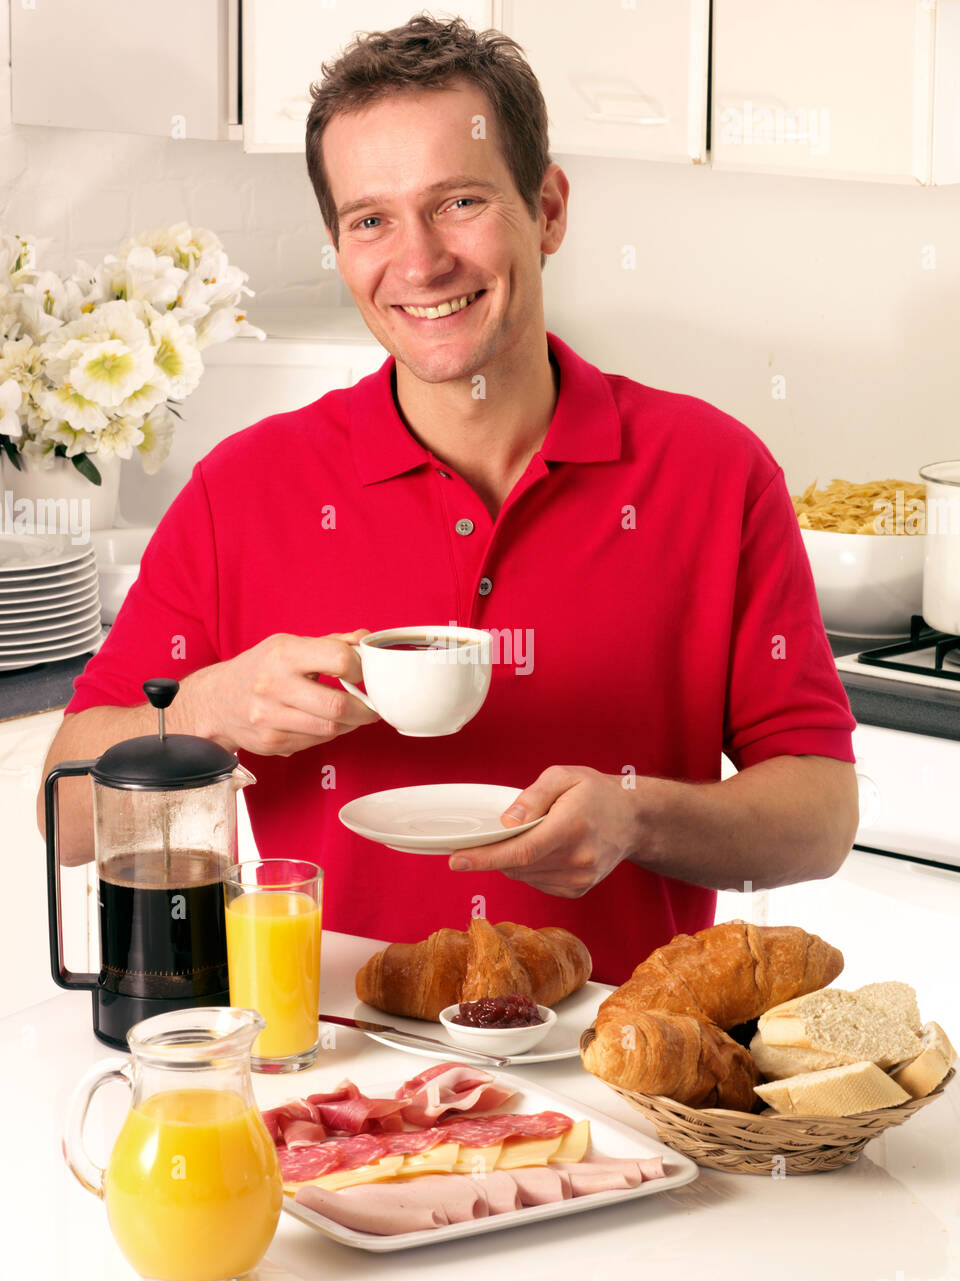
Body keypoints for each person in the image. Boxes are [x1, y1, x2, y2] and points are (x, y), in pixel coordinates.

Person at [37, 15, 858, 986]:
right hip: (329, 1072)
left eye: (458, 201)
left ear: (548, 209)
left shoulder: (716, 474)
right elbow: (67, 818)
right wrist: (208, 709)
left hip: (622, 1069)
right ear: (340, 246)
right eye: (370, 219)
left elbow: (818, 818)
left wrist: (640, 816)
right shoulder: (243, 490)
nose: (419, 263)